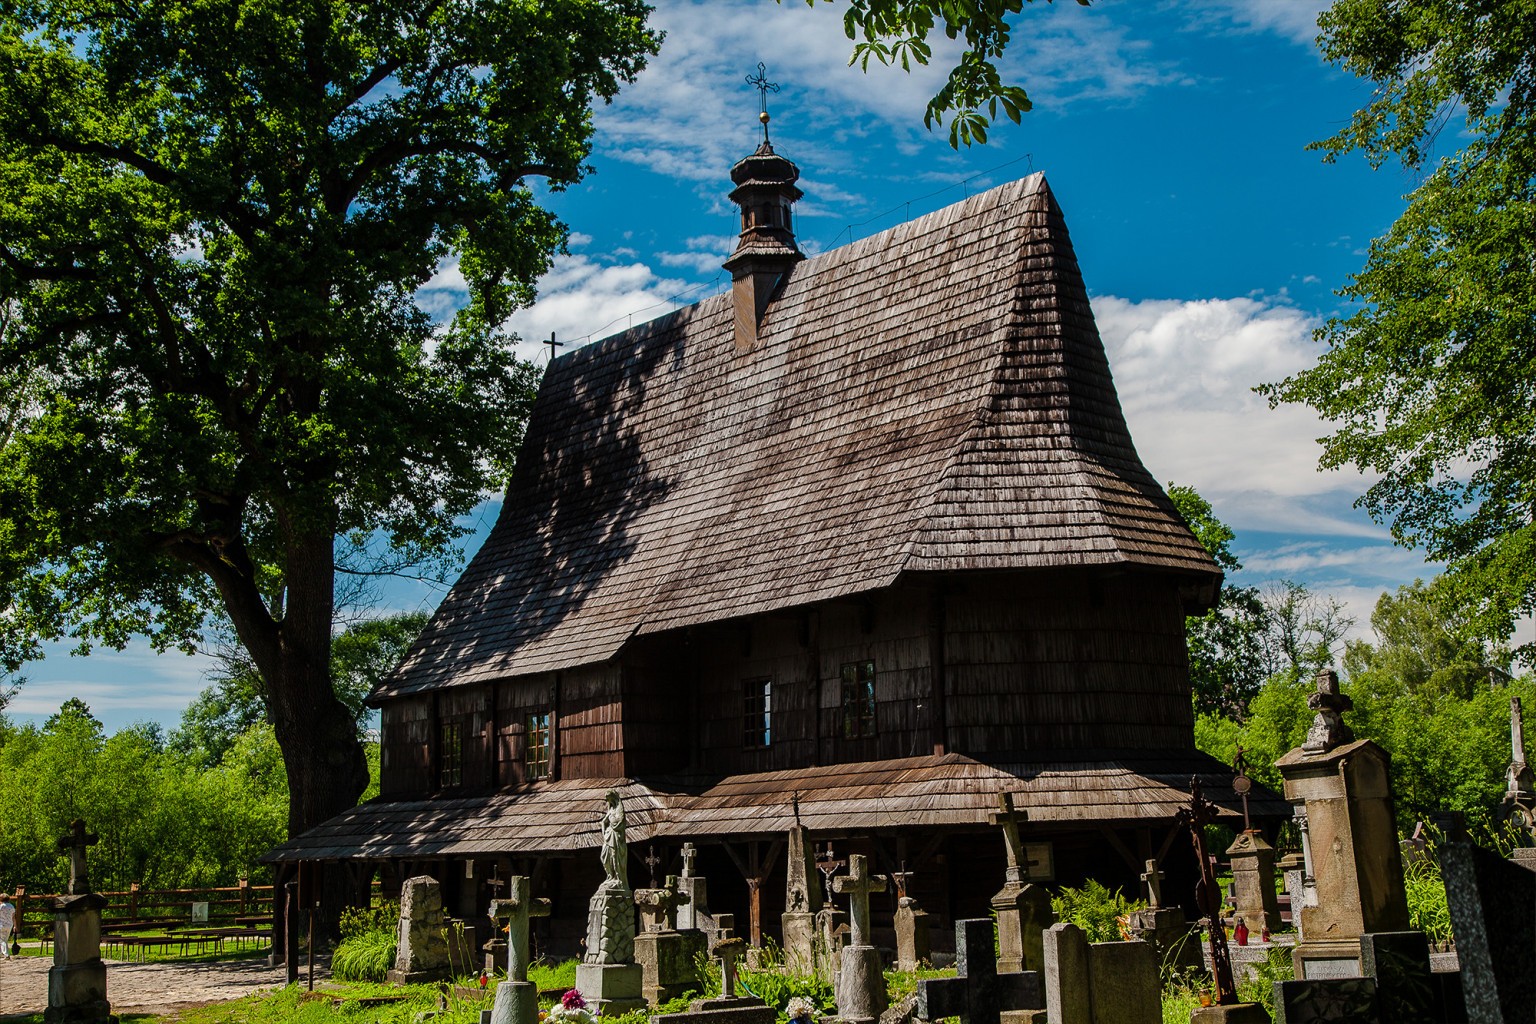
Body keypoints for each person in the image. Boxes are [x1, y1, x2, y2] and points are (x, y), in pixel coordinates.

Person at [0, 893, 15, 958]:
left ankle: (6, 954)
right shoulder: (11, 906)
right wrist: (15, 926)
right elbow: (13, 917)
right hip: (9, 925)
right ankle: (1, 953)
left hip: (1, 924)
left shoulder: (1, 906)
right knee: (4, 939)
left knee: (2, 940)